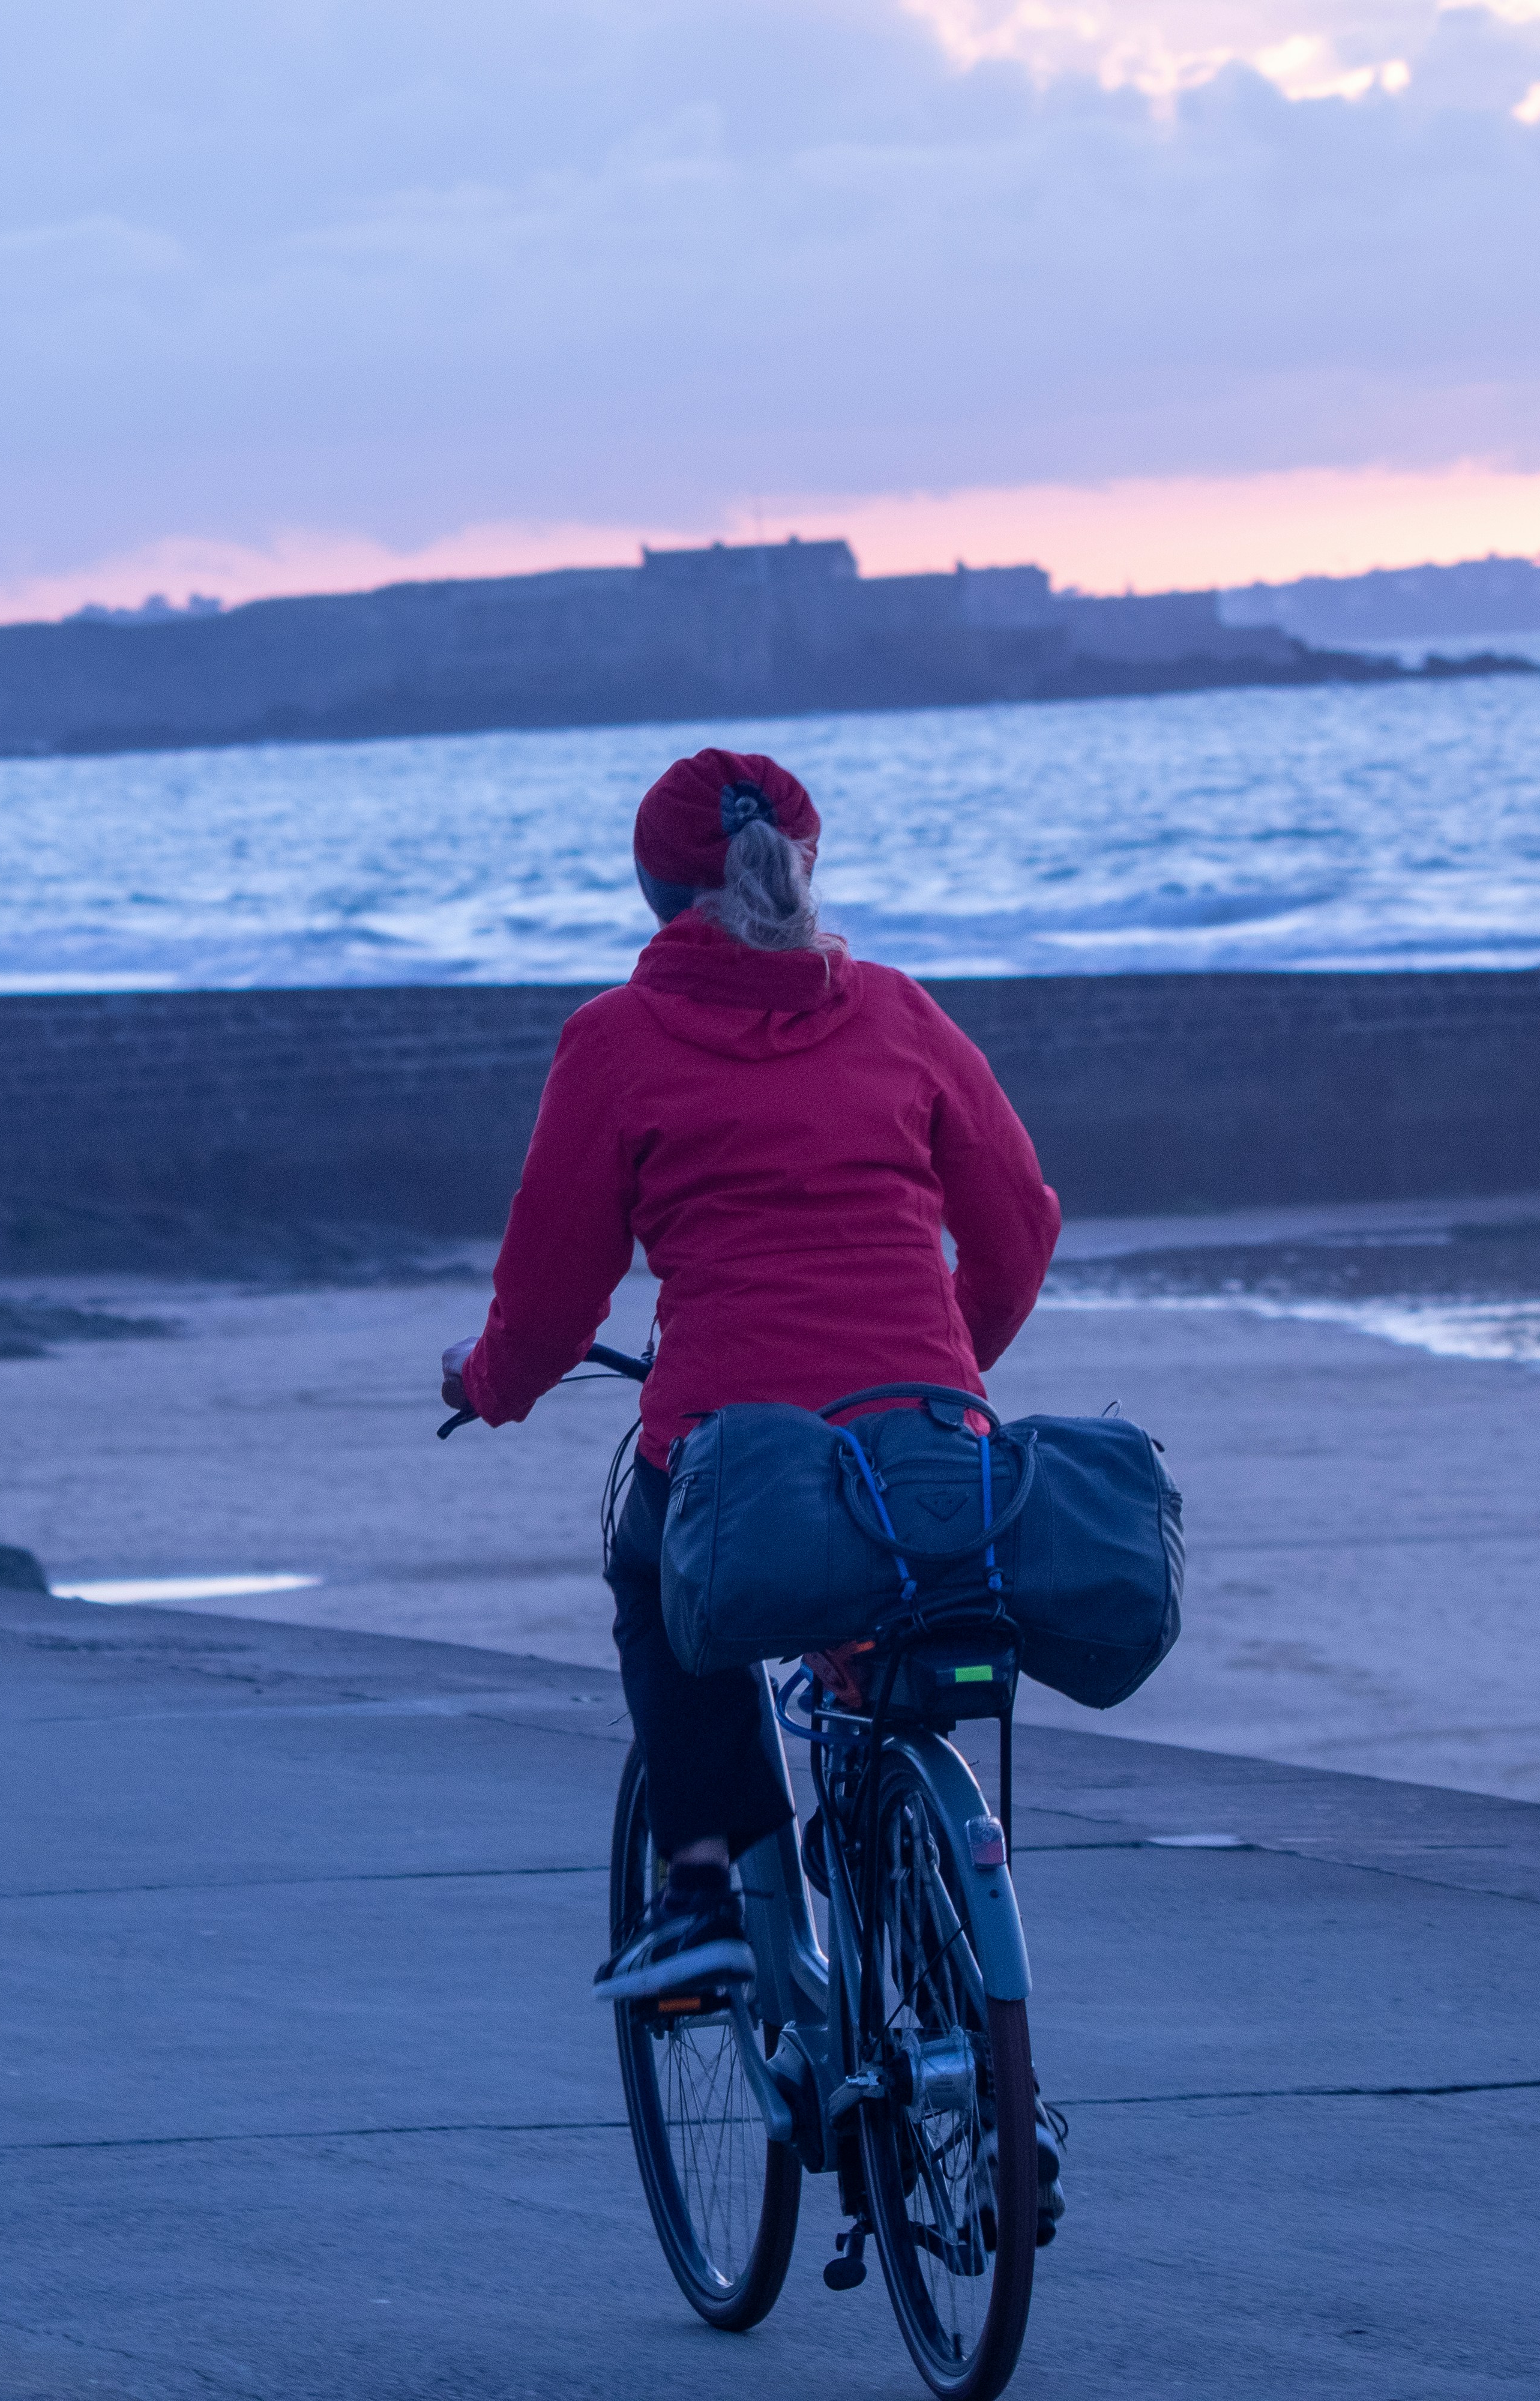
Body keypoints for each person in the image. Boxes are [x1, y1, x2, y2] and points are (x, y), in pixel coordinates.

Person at [438, 750, 1060, 2001]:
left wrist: (488, 1382)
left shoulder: (614, 1040)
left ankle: (700, 1886)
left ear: (655, 890)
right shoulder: (899, 1010)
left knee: (653, 1564)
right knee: (894, 1629)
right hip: (928, 1434)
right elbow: (1020, 1228)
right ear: (807, 862)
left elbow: (556, 1292)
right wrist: (946, 1374)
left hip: (732, 1443)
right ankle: (968, 2027)